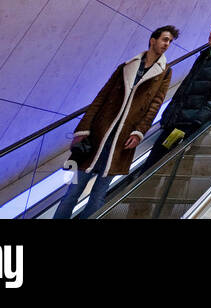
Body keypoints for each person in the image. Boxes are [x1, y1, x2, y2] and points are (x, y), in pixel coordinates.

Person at [54, 26, 176, 219]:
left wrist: (139, 132)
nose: (167, 44)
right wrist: (83, 129)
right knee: (72, 192)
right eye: (164, 39)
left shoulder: (165, 73)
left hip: (122, 143)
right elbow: (100, 98)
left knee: (98, 196)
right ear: (152, 40)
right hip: (97, 137)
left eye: (170, 41)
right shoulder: (126, 67)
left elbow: (155, 106)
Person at [143, 19, 211, 170]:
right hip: (178, 119)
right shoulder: (207, 54)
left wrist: (198, 120)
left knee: (161, 166)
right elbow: (187, 87)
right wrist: (169, 113)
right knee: (154, 163)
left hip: (189, 123)